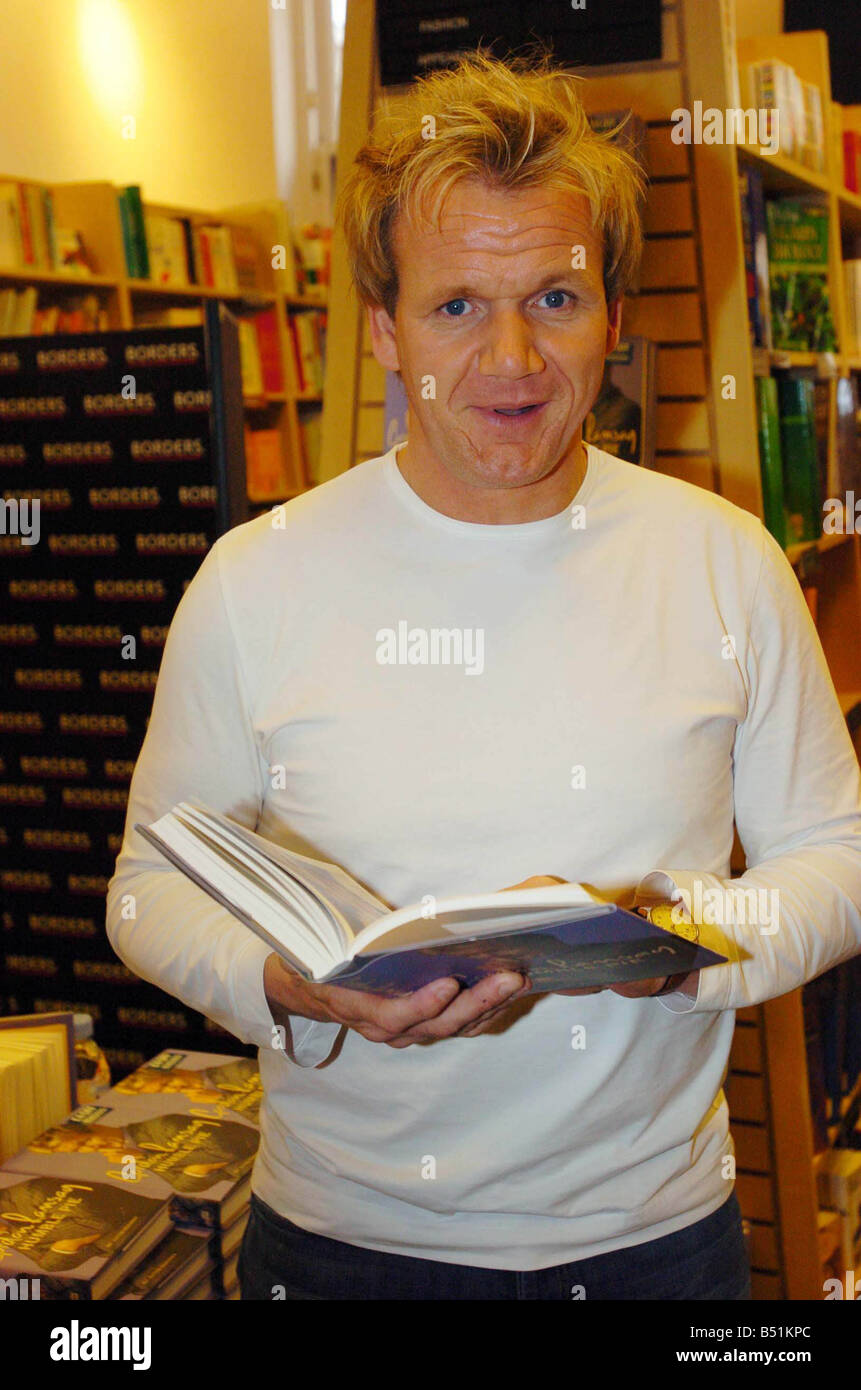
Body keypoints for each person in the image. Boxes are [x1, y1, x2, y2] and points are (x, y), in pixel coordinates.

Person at [106, 48, 861, 1300]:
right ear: (388, 330)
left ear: (613, 317)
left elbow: (838, 854)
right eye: (458, 304)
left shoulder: (724, 562)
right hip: (343, 1244)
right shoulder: (256, 579)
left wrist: (687, 941)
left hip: (654, 1243)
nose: (511, 358)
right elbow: (142, 891)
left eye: (555, 299)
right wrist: (283, 984)